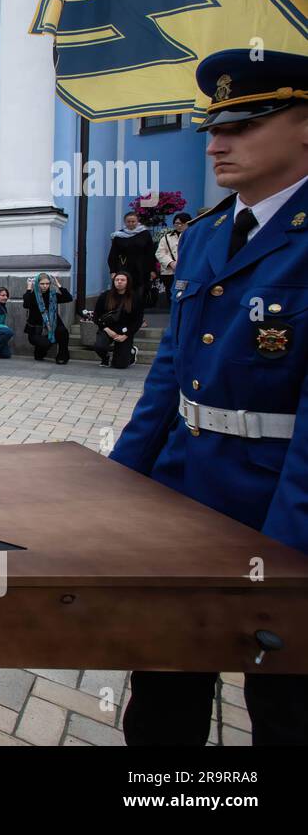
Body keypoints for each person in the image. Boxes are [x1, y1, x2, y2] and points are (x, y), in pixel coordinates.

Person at [110, 48, 308, 746]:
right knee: (163, 692)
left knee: (286, 711)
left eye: (246, 124)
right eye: (212, 126)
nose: (217, 142)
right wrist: (119, 485)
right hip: (183, 502)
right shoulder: (204, 237)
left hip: (277, 513)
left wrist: (285, 565)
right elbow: (167, 376)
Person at [91, 272, 143, 369]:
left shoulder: (135, 298)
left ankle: (131, 352)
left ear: (128, 282)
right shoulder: (105, 296)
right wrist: (107, 330)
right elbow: (96, 316)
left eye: (122, 280)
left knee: (120, 365)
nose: (119, 282)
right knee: (99, 346)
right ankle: (105, 358)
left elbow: (137, 320)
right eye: (117, 280)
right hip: (108, 328)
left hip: (125, 330)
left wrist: (126, 335)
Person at [108, 212, 156, 307]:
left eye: (133, 221)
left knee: (139, 292)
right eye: (128, 221)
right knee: (124, 291)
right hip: (124, 267)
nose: (131, 224)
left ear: (137, 222)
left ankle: (138, 314)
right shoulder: (119, 235)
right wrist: (112, 271)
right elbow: (113, 254)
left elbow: (150, 252)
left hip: (142, 268)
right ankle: (124, 311)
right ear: (125, 222)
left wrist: (152, 270)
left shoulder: (145, 234)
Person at [23, 272, 73, 363]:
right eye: (42, 284)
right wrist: (29, 287)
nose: (45, 286)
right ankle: (39, 353)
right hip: (37, 330)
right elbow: (26, 304)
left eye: (47, 283)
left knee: (63, 332)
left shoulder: (53, 295)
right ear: (37, 284)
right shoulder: (33, 296)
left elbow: (68, 298)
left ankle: (62, 357)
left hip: (53, 325)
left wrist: (58, 285)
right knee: (46, 343)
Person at [154, 211, 192, 301]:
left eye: (182, 223)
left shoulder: (192, 236)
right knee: (171, 295)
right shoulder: (166, 237)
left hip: (186, 271)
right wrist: (171, 263)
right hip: (169, 272)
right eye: (177, 223)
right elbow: (159, 253)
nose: (179, 226)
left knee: (183, 294)